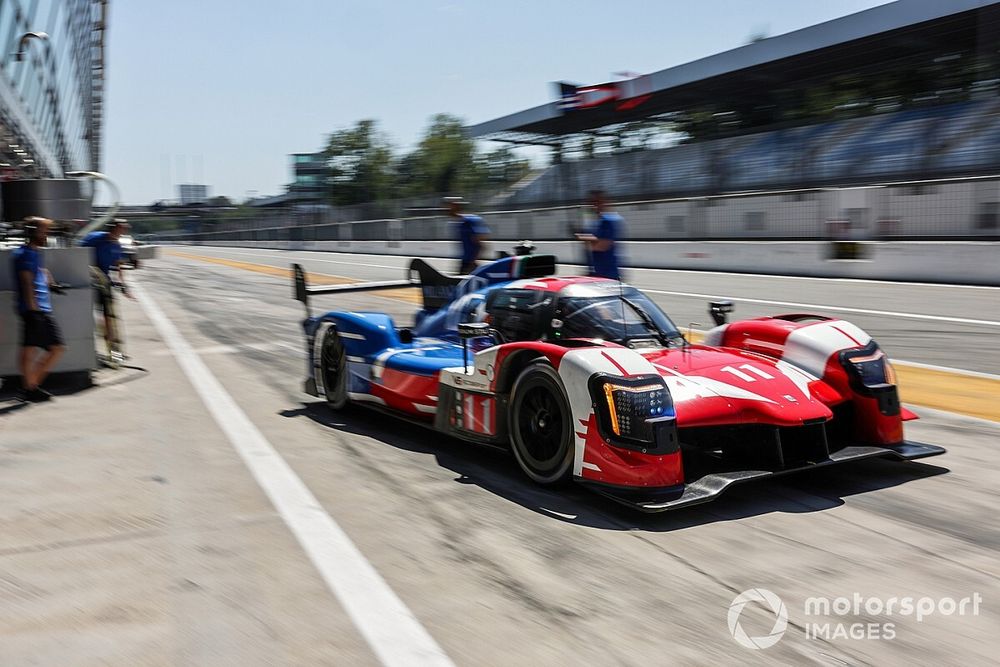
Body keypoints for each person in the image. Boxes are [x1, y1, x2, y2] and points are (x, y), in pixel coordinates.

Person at [11, 217, 64, 402]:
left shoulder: (34, 253)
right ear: (33, 232)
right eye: (43, 231)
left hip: (40, 308)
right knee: (31, 349)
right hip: (34, 309)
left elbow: (40, 272)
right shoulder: (24, 254)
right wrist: (34, 311)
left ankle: (30, 386)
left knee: (55, 348)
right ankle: (29, 387)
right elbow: (26, 282)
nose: (46, 235)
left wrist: (53, 284)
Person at [80, 219, 133, 363]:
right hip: (89, 281)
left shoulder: (116, 245)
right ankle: (102, 348)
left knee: (110, 317)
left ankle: (114, 352)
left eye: (124, 230)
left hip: (104, 282)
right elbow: (78, 253)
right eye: (121, 229)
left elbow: (118, 265)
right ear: (113, 228)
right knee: (97, 317)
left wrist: (123, 285)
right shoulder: (94, 238)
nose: (123, 232)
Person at [576, 189, 622, 280]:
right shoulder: (594, 223)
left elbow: (601, 246)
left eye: (598, 202)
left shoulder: (609, 221)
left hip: (609, 275)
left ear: (605, 202)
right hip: (595, 274)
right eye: (592, 202)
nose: (595, 205)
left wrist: (581, 237)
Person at [446, 196, 489, 274]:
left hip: (470, 264)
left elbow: (481, 244)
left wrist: (473, 261)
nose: (446, 210)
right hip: (465, 261)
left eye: (449, 207)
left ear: (457, 206)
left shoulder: (471, 221)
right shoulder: (460, 223)